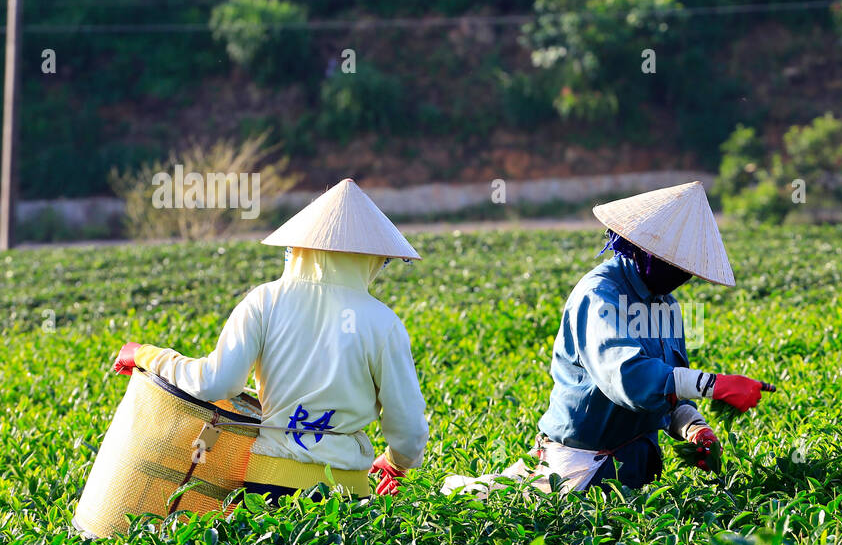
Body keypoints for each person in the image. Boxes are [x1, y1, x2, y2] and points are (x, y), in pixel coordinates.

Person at [443, 181, 773, 496]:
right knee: (492, 502)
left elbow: (669, 392)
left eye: (686, 269)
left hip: (634, 470)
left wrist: (693, 427)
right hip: (578, 466)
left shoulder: (665, 305)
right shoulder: (600, 294)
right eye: (673, 263)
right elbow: (630, 378)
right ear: (643, 248)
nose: (681, 275)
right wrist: (715, 385)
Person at [111, 179, 429, 503]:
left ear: (299, 246)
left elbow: (215, 383)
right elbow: (408, 426)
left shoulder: (265, 300)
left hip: (267, 489)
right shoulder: (382, 322)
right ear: (373, 258)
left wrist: (147, 356)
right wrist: (395, 463)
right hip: (345, 492)